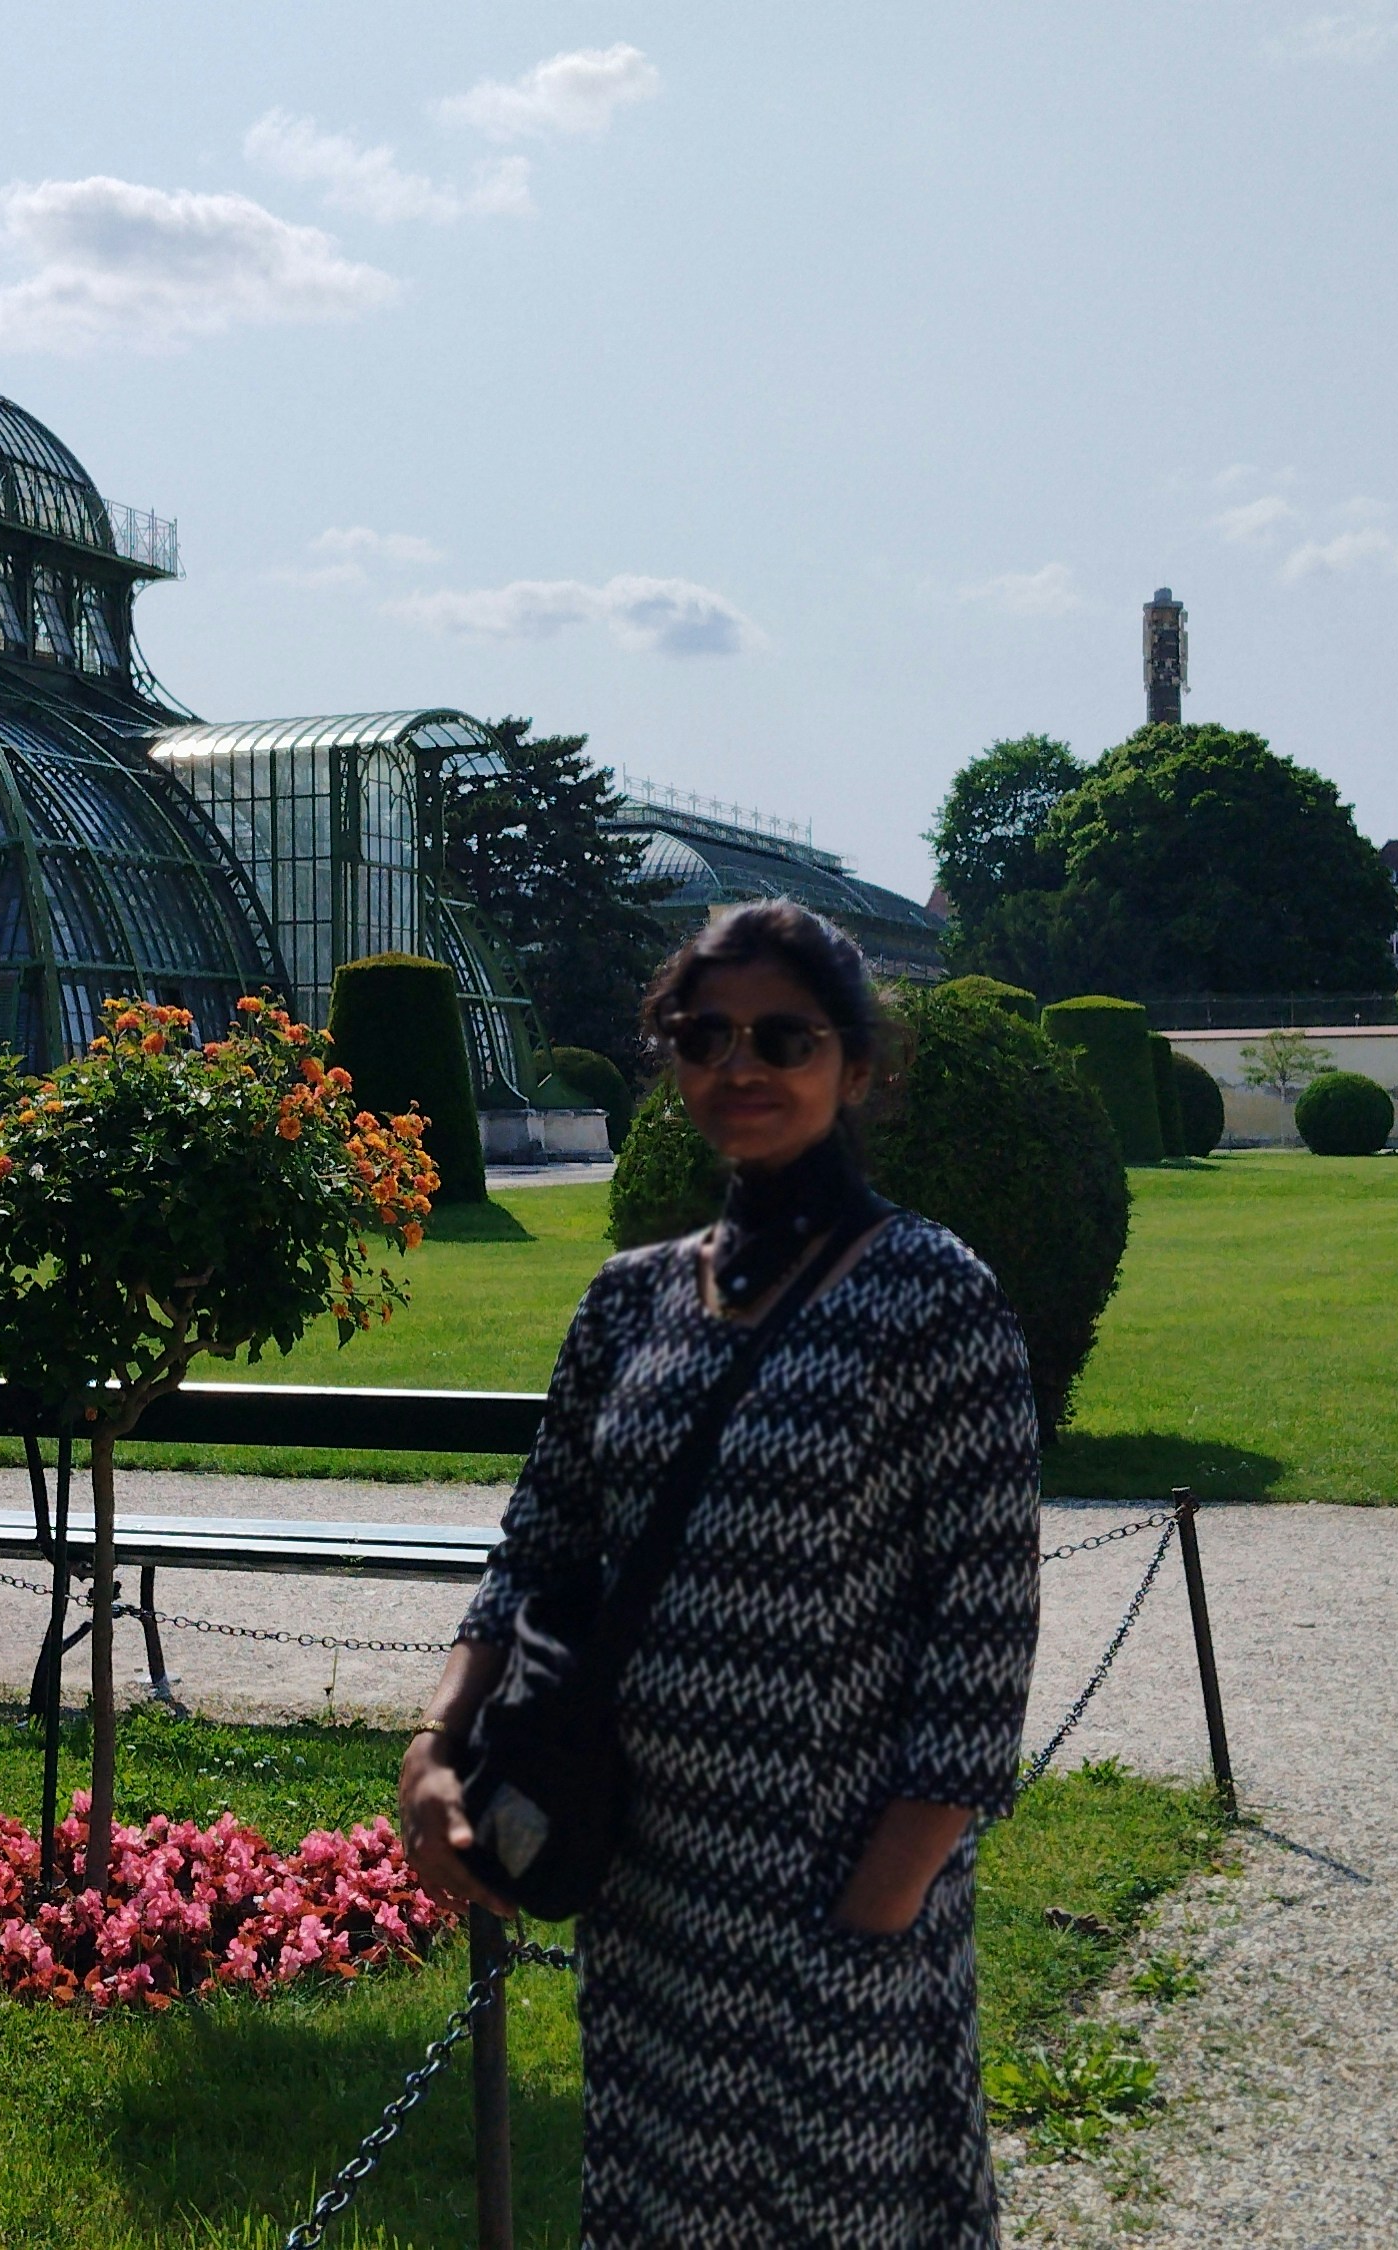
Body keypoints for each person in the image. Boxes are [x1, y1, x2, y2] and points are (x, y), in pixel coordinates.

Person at [399, 899, 1044, 2246]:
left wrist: (874, 1914)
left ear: (855, 1065)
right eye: (705, 1037)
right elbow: (537, 1545)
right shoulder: (629, 1300)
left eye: (782, 1037)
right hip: (646, 1890)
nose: (740, 1065)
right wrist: (434, 1745)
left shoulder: (936, 1297)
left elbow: (980, 1644)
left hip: (838, 1888)